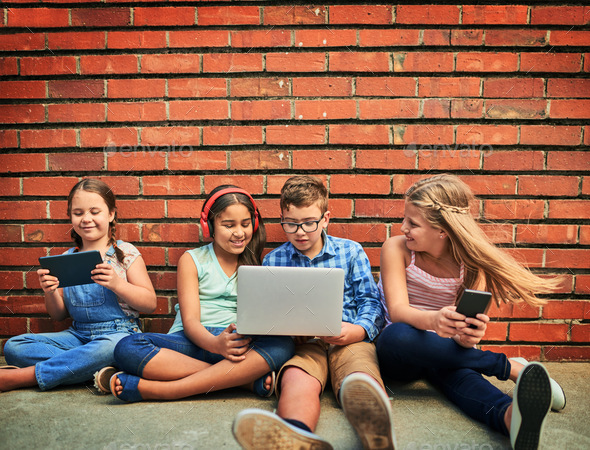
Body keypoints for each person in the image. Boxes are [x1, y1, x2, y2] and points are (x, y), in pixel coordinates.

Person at [375, 174, 565, 449]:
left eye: (413, 223)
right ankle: (511, 368)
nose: (403, 227)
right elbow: (398, 310)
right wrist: (433, 320)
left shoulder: (472, 264)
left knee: (462, 376)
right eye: (405, 219)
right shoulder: (396, 249)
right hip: (402, 351)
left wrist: (467, 337)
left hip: (446, 349)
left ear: (443, 230)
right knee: (396, 335)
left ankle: (510, 418)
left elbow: (465, 335)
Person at [232, 176, 396, 450]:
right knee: (297, 377)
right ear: (282, 219)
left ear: (326, 218)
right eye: (290, 224)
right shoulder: (274, 259)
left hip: (349, 338)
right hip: (304, 344)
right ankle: (295, 434)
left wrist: (357, 330)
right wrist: (284, 330)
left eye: (309, 222)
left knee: (360, 378)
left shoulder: (351, 251)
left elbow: (370, 302)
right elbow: (267, 311)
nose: (300, 232)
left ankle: (376, 435)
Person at [106, 185, 295, 402]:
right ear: (209, 227)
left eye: (245, 224)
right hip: (192, 342)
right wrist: (216, 344)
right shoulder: (193, 259)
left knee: (283, 344)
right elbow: (190, 322)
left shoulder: (257, 263)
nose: (239, 233)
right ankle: (241, 381)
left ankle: (167, 390)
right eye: (228, 225)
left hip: (235, 343)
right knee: (127, 348)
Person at [1, 178, 156, 393]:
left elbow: (150, 304)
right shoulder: (66, 258)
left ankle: (25, 377)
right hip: (77, 336)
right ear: (71, 217)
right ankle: (94, 368)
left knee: (114, 347)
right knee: (15, 347)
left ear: (111, 214)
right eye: (78, 213)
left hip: (118, 333)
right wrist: (51, 292)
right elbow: (58, 315)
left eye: (95, 212)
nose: (86, 219)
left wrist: (117, 284)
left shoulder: (126, 253)